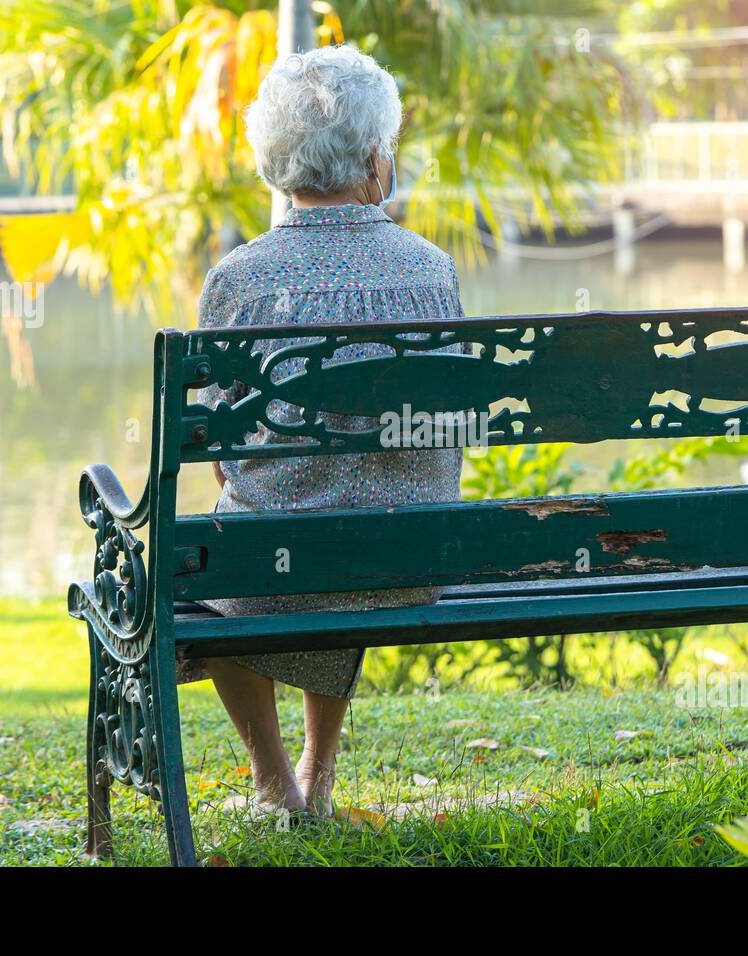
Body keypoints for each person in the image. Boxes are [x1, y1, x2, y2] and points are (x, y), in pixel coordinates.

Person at [181, 44, 465, 819]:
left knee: (242, 549)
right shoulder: (431, 268)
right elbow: (454, 417)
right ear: (377, 159)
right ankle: (320, 768)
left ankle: (278, 786)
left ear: (276, 162)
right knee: (347, 509)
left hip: (275, 564)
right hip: (414, 553)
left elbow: (220, 436)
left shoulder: (238, 278)